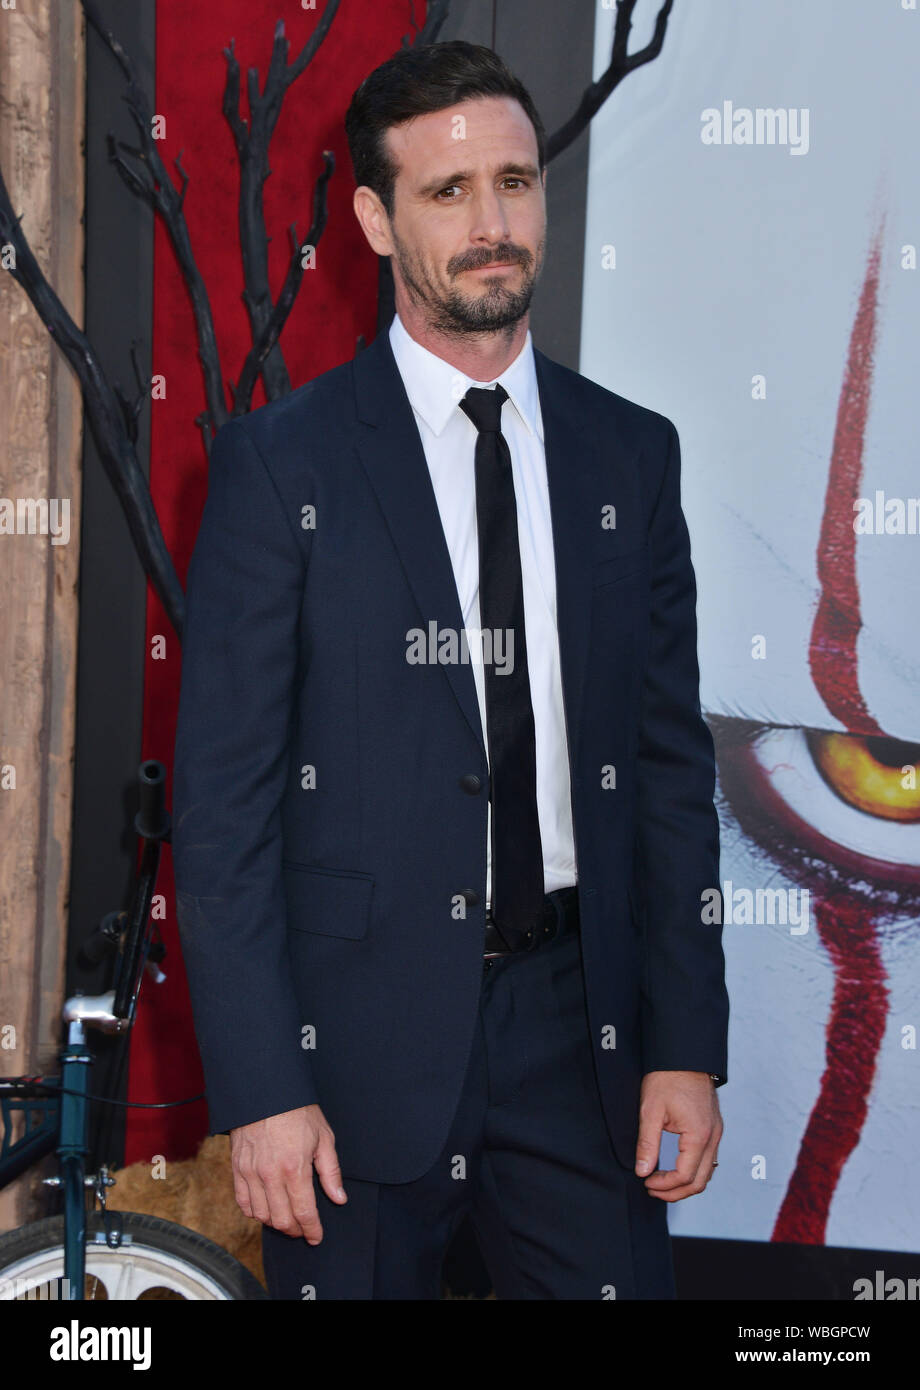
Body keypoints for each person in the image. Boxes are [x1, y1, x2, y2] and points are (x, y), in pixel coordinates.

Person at [172, 39, 729, 1301]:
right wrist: (264, 1086)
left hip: (577, 1037)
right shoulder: (282, 467)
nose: (493, 225)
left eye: (514, 184)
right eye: (447, 191)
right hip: (352, 1051)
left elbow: (665, 770)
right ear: (372, 219)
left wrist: (685, 1045)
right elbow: (222, 811)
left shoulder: (627, 458)